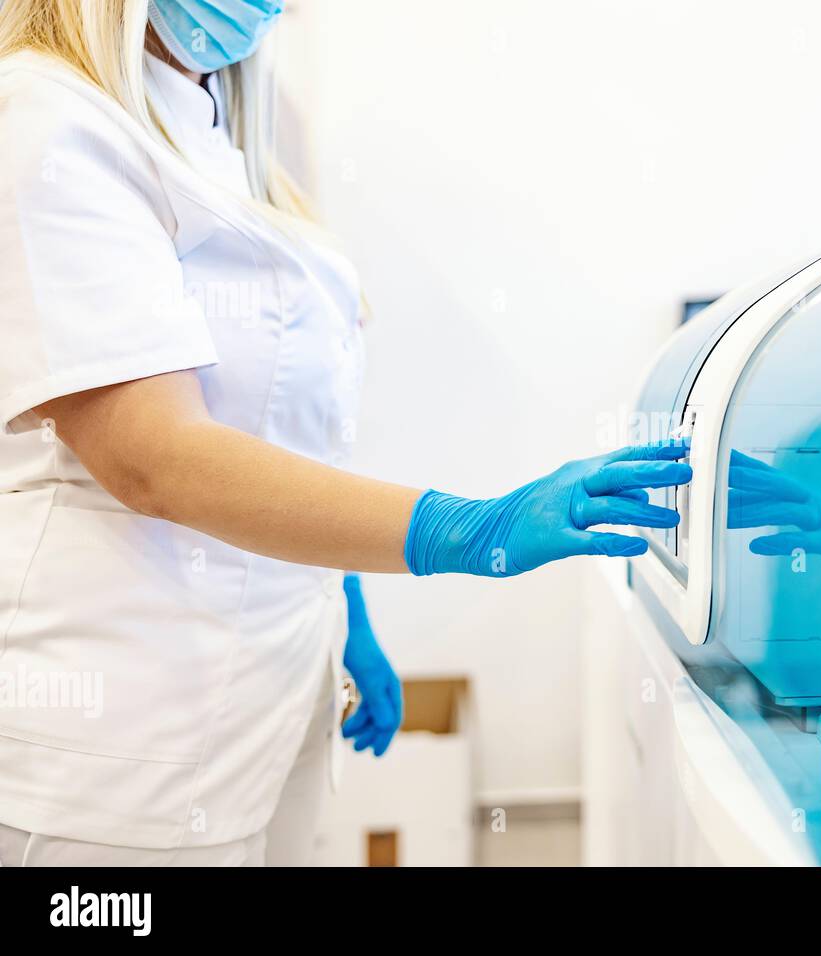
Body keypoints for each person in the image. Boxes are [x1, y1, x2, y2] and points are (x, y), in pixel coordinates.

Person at [0, 0, 689, 866]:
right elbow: (152, 456)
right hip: (119, 758)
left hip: (267, 718)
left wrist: (346, 607)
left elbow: (281, 430)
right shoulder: (46, 118)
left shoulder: (231, 119)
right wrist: (467, 528)